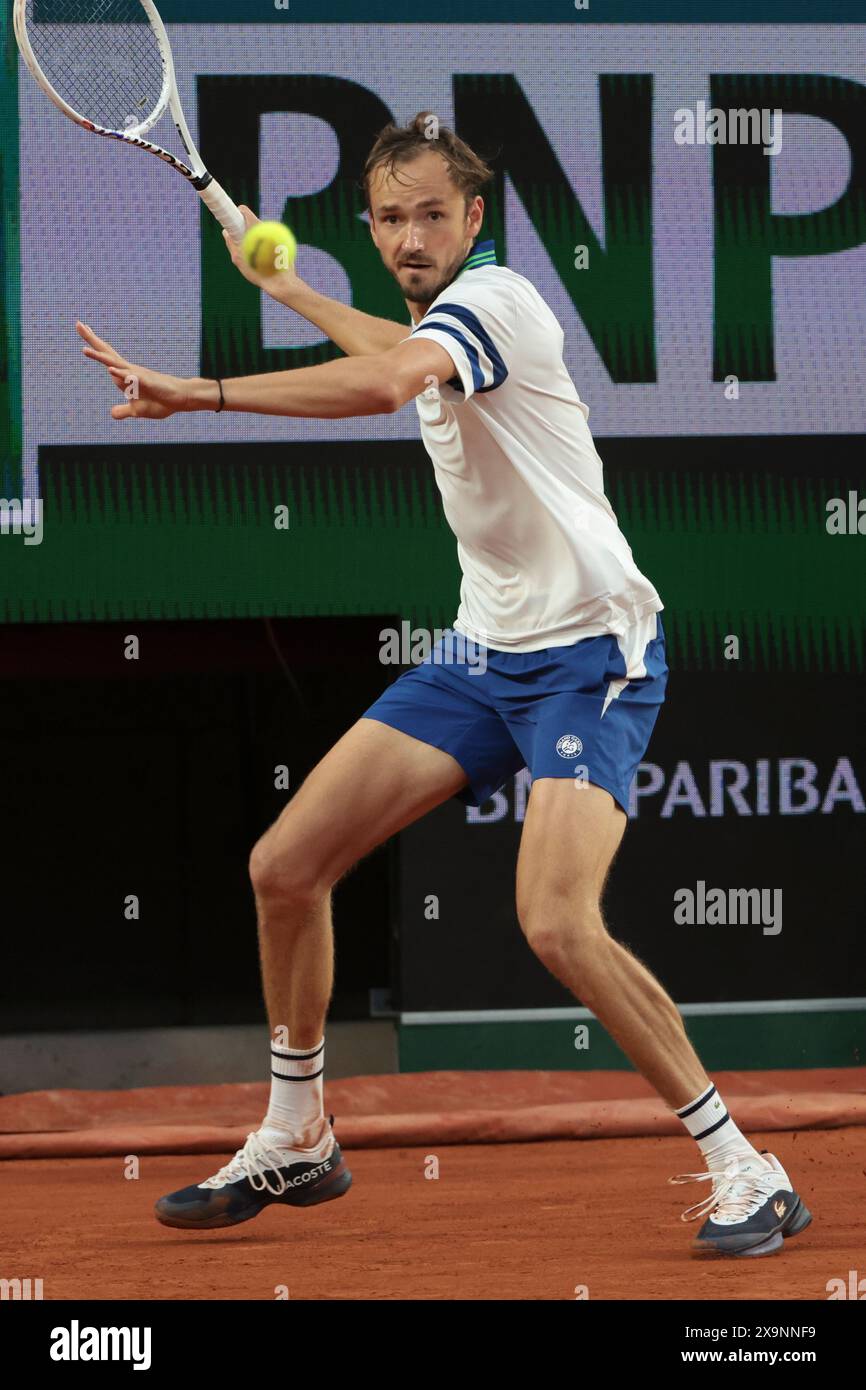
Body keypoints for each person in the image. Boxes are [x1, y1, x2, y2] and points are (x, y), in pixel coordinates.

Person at [78, 112, 810, 1257]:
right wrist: (296, 293)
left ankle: (743, 1165)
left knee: (554, 920)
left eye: (433, 214)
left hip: (589, 655)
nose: (411, 235)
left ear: (473, 220)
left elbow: (382, 388)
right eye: (389, 218)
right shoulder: (439, 325)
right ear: (370, 227)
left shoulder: (501, 299)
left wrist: (203, 392)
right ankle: (297, 1128)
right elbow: (397, 357)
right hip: (483, 651)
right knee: (285, 864)